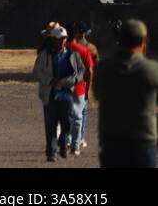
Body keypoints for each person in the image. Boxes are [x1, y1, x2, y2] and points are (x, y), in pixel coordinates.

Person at [92, 18, 158, 168]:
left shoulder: (103, 68)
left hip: (112, 140)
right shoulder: (152, 70)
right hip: (143, 140)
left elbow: (97, 95)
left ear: (119, 40)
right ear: (144, 41)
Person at [34, 24, 84, 161]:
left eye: (64, 38)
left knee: (67, 122)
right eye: (59, 38)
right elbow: (37, 72)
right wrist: (49, 80)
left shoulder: (73, 54)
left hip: (67, 93)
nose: (62, 41)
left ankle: (63, 142)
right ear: (53, 39)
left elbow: (81, 71)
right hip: (50, 93)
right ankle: (51, 152)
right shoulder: (45, 55)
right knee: (51, 124)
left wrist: (72, 80)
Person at [67, 22, 95, 154]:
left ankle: (66, 140)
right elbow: (90, 71)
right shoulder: (86, 49)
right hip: (79, 87)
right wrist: (88, 88)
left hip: (62, 87)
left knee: (64, 115)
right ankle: (76, 143)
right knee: (79, 116)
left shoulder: (59, 49)